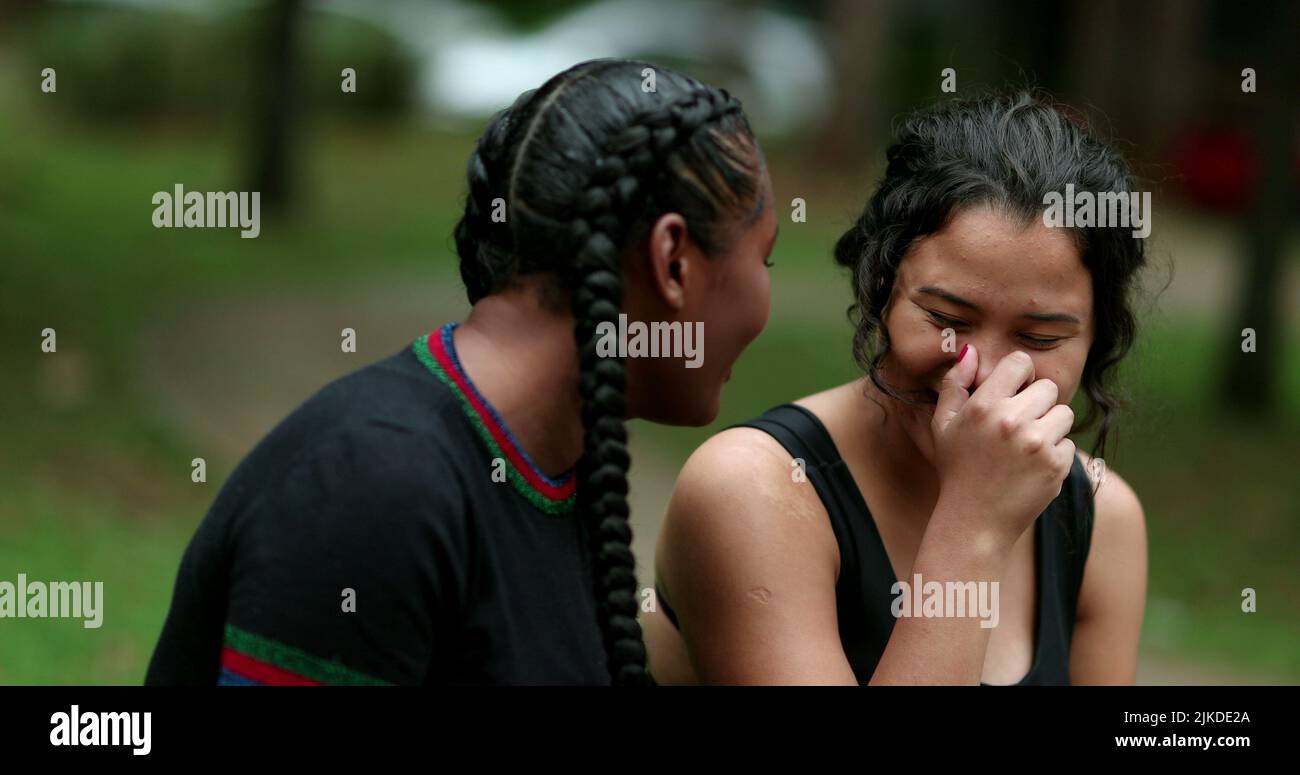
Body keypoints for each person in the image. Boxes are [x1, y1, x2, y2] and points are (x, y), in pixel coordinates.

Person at [145, 58, 777, 686]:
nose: (764, 304)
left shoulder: (556, 472)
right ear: (672, 262)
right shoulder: (376, 482)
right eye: (766, 259)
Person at [646, 91, 1149, 685]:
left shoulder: (1100, 517)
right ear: (881, 288)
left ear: (1096, 340)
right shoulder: (755, 490)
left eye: (1039, 338)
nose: (982, 372)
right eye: (947, 321)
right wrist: (973, 525)